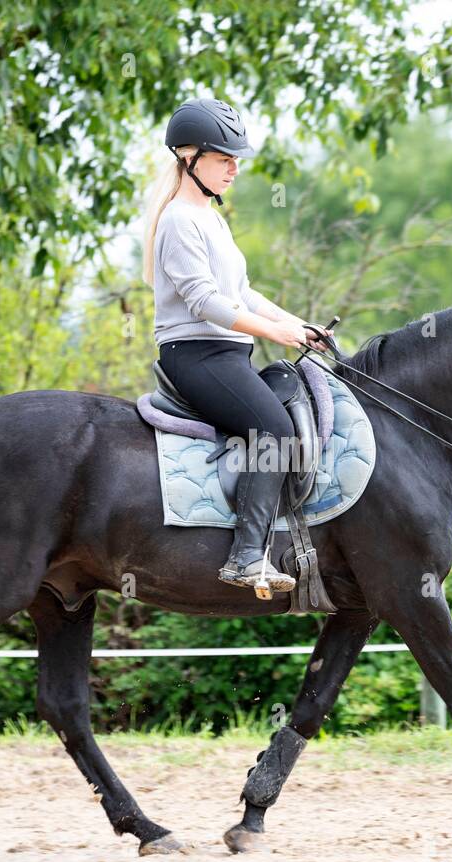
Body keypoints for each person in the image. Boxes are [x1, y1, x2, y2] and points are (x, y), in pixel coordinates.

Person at [142, 97, 330, 594]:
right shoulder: (179, 220)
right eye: (224, 158)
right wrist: (275, 334)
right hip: (196, 354)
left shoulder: (212, 219)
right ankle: (247, 557)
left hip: (227, 354)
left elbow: (241, 294)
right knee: (272, 425)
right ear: (188, 158)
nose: (234, 168)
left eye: (236, 159)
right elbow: (204, 302)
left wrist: (298, 324)